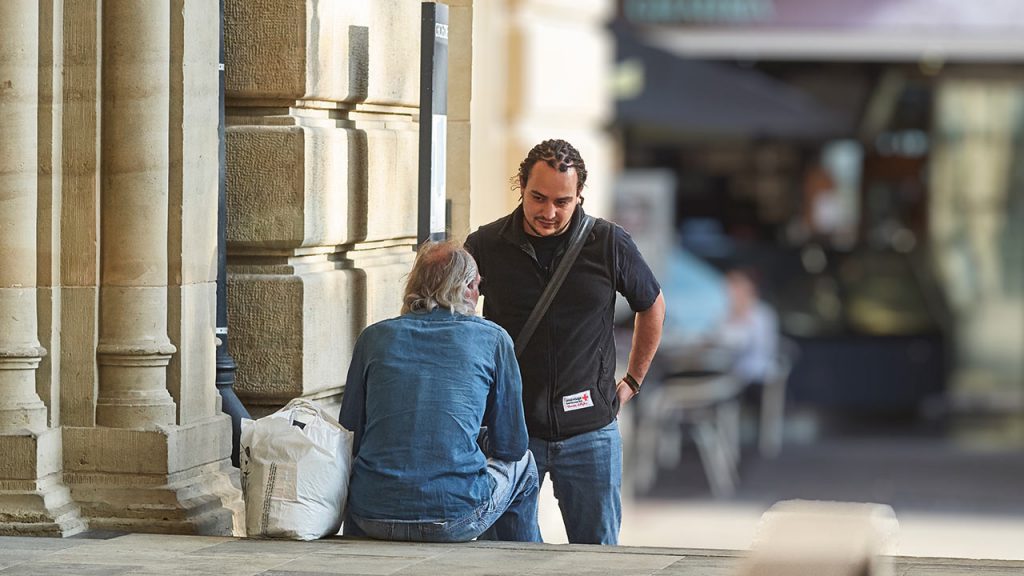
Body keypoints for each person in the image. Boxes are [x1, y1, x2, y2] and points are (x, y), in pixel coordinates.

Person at [465, 139, 665, 545]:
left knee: (597, 556)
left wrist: (633, 381)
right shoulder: (485, 245)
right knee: (507, 556)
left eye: (563, 201)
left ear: (579, 197)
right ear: (520, 184)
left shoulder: (609, 242)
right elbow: (455, 317)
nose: (549, 212)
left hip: (591, 432)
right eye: (538, 197)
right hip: (511, 433)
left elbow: (652, 305)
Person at [339, 241, 541, 543]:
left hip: (370, 515)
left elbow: (350, 435)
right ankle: (521, 565)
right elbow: (511, 446)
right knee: (524, 464)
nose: (477, 295)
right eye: (476, 286)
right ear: (466, 288)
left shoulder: (374, 337)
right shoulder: (493, 338)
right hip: (456, 516)